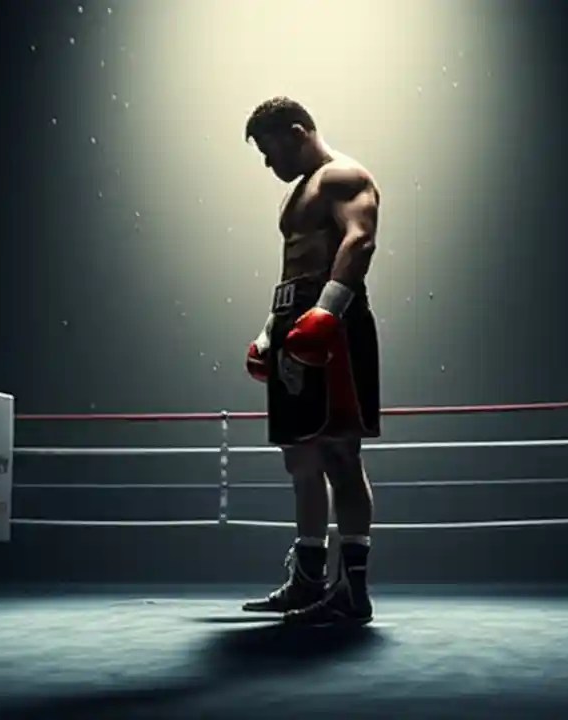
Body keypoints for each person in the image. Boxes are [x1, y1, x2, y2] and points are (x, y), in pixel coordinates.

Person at [239, 96, 382, 626]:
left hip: (334, 326)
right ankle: (309, 580)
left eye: (269, 149)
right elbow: (294, 268)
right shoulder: (296, 194)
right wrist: (267, 332)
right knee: (300, 458)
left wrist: (327, 313)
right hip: (292, 323)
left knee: (342, 454)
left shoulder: (344, 176)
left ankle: (353, 590)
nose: (268, 164)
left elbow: (359, 241)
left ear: (298, 132)